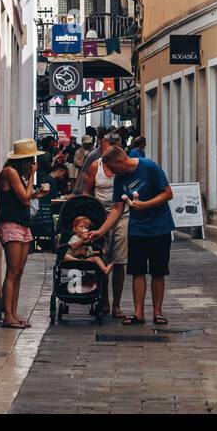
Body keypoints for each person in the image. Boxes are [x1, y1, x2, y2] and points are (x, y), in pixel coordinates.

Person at [89, 144, 174, 326]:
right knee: (138, 271)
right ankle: (138, 313)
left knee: (158, 271)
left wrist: (145, 205)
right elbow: (118, 208)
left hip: (160, 227)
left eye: (112, 168)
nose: (111, 172)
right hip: (137, 229)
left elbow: (167, 194)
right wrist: (101, 231)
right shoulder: (120, 178)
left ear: (120, 161)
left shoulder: (149, 167)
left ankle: (157, 312)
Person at [0, 139, 49, 328]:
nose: (34, 164)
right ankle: (8, 316)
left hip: (23, 225)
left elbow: (24, 198)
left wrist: (36, 195)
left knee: (18, 271)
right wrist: (33, 178)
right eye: (32, 161)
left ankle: (14, 314)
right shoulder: (9, 172)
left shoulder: (16, 174)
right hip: (11, 225)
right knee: (12, 271)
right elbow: (25, 199)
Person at [83, 132, 129, 316]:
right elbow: (87, 191)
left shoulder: (123, 167)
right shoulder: (96, 166)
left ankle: (117, 303)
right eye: (104, 147)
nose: (105, 151)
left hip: (122, 216)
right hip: (100, 216)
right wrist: (87, 213)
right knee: (102, 257)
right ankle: (104, 300)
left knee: (119, 261)